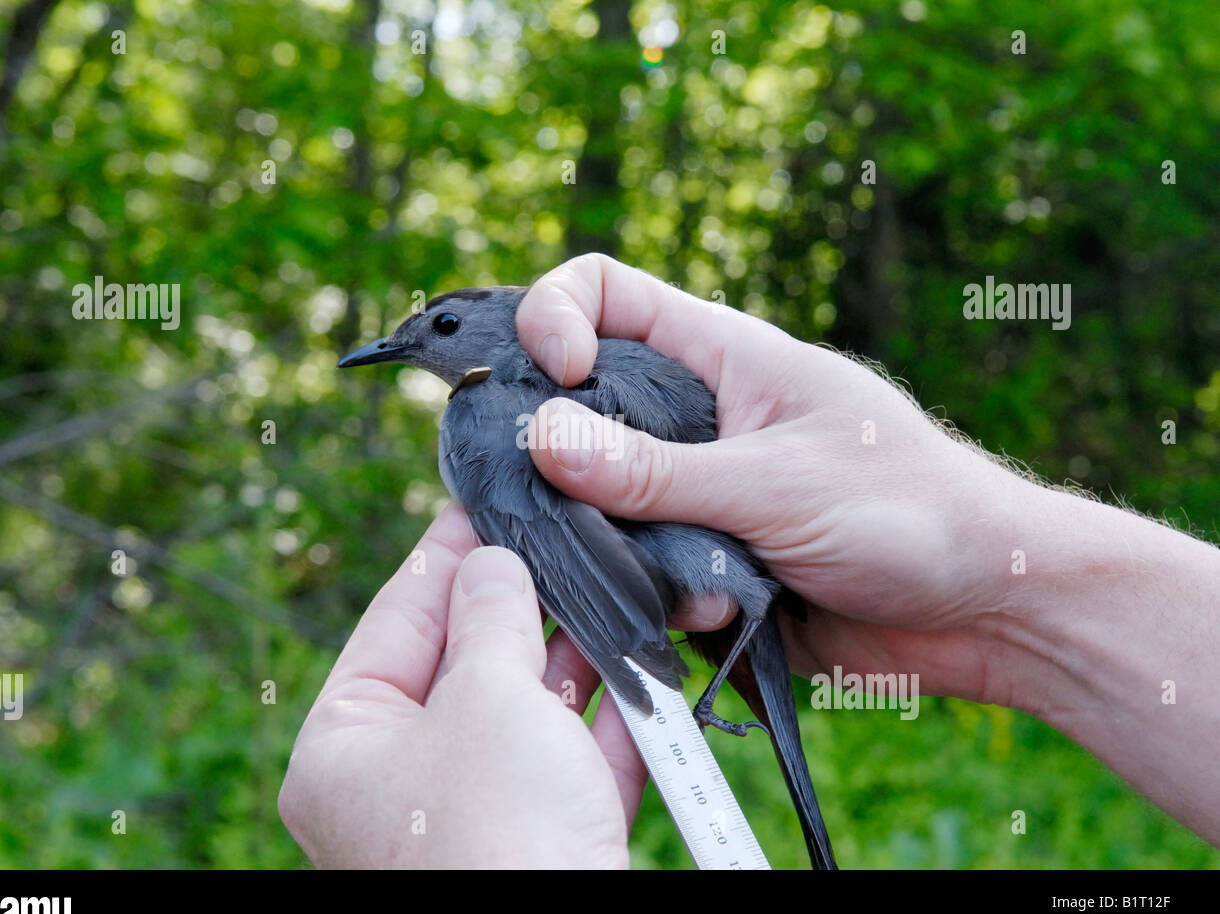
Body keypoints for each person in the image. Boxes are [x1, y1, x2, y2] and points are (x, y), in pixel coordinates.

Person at [278, 253, 1220, 868]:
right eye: (411, 344)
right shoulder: (523, 393)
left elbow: (573, 552)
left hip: (727, 581)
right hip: (724, 583)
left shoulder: (488, 415)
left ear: (503, 324)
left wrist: (637, 657)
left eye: (438, 330)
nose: (422, 351)